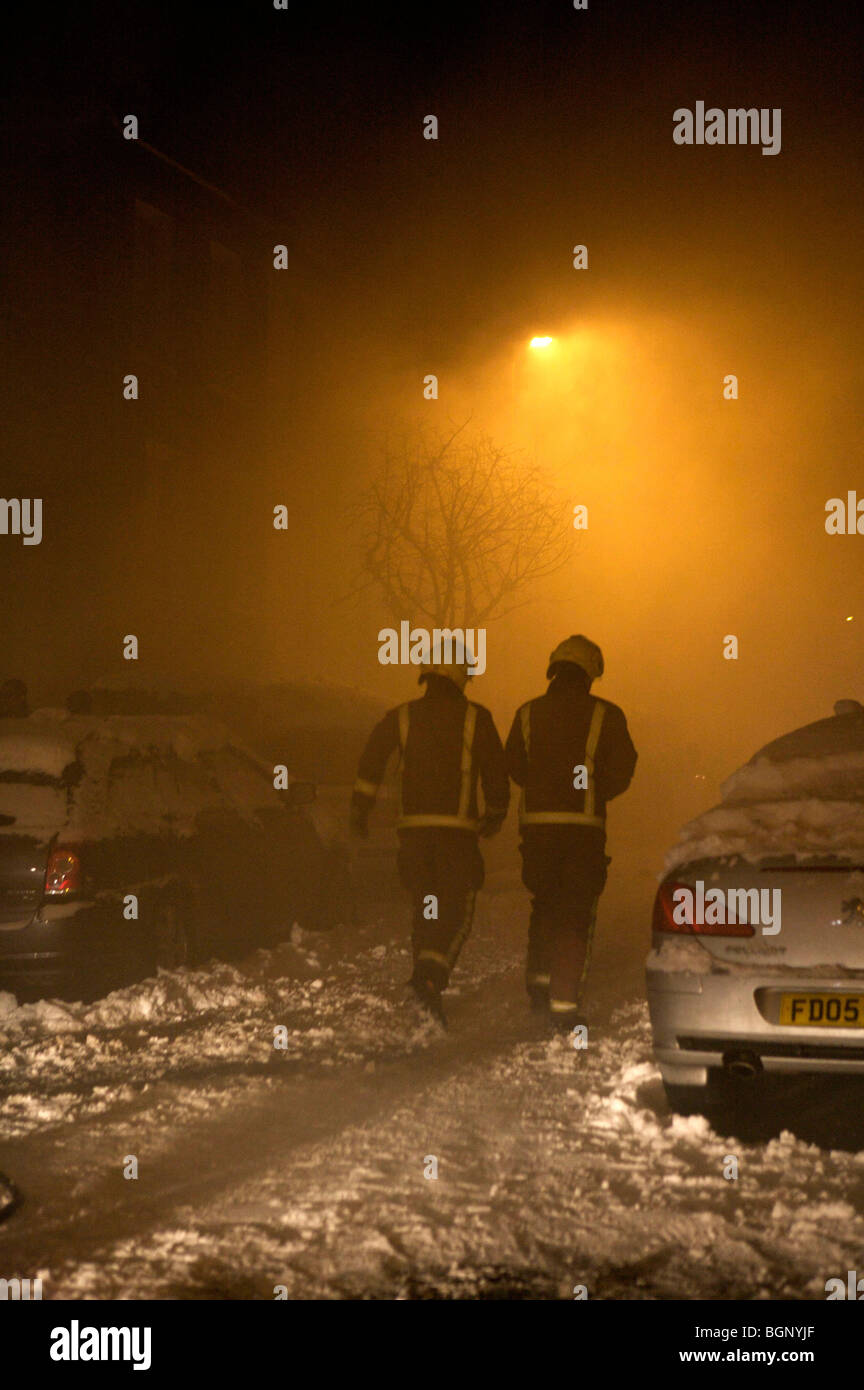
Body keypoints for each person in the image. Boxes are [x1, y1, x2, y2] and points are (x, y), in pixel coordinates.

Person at [351, 657, 509, 1023]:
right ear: (459, 678)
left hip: (415, 838)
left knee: (428, 904)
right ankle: (429, 980)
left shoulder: (401, 716)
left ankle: (422, 979)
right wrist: (496, 812)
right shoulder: (476, 718)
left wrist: (361, 808)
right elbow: (496, 771)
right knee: (455, 913)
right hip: (456, 837)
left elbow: (371, 759)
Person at [505, 635, 637, 1032]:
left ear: (555, 669)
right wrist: (592, 794)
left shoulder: (527, 713)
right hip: (582, 832)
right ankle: (564, 1007)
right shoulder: (606, 715)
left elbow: (514, 765)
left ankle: (538, 985)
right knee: (575, 913)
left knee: (545, 902)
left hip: (538, 830)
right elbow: (622, 769)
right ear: (590, 673)